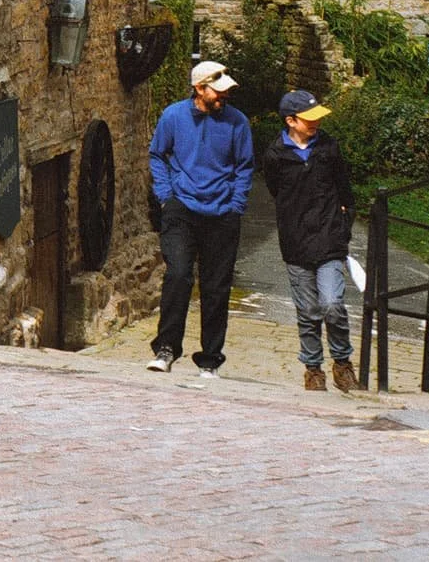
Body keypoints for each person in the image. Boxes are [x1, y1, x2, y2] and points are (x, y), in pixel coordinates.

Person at [146, 60, 254, 376]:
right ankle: (166, 349)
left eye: (226, 92)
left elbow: (245, 167)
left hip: (222, 214)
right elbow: (157, 155)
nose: (223, 97)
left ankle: (210, 359)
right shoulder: (174, 116)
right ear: (199, 89)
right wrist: (166, 196)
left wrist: (236, 204)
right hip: (181, 209)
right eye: (217, 91)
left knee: (216, 287)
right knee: (178, 275)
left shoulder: (238, 123)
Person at [261, 89, 357, 392]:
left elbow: (345, 190)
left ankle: (342, 363)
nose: (315, 123)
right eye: (308, 119)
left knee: (332, 304)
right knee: (308, 311)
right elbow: (277, 192)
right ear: (291, 120)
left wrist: (342, 226)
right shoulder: (276, 155)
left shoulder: (328, 148)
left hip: (329, 239)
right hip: (296, 242)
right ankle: (313, 369)